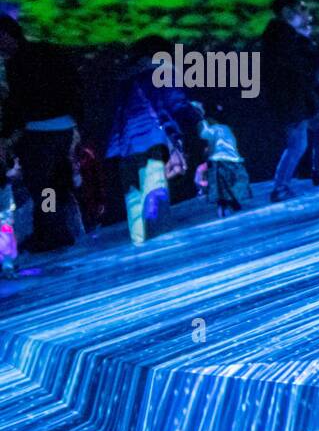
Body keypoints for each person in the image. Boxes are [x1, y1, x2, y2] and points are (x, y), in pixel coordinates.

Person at [0, 14, 86, 252]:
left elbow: (17, 102)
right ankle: (50, 229)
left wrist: (6, 132)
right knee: (53, 185)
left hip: (40, 132)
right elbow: (74, 85)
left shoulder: (18, 62)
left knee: (44, 186)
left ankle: (54, 231)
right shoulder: (50, 51)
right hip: (63, 128)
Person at [261, 0, 319, 203]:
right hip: (290, 97)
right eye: (301, 9)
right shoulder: (280, 36)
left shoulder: (286, 35)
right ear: (287, 13)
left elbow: (308, 61)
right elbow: (302, 65)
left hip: (298, 95)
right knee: (297, 143)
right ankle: (280, 188)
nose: (306, 14)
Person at [104, 36, 191, 245]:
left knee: (135, 207)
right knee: (156, 203)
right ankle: (161, 261)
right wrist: (192, 122)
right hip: (152, 141)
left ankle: (140, 249)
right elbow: (174, 104)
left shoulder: (125, 78)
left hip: (123, 147)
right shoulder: (162, 71)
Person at [192, 101, 251, 217]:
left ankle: (228, 203)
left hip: (225, 160)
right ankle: (228, 203)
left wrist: (200, 118)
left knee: (226, 185)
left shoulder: (219, 129)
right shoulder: (222, 129)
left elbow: (204, 134)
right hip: (227, 160)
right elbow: (205, 135)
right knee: (230, 184)